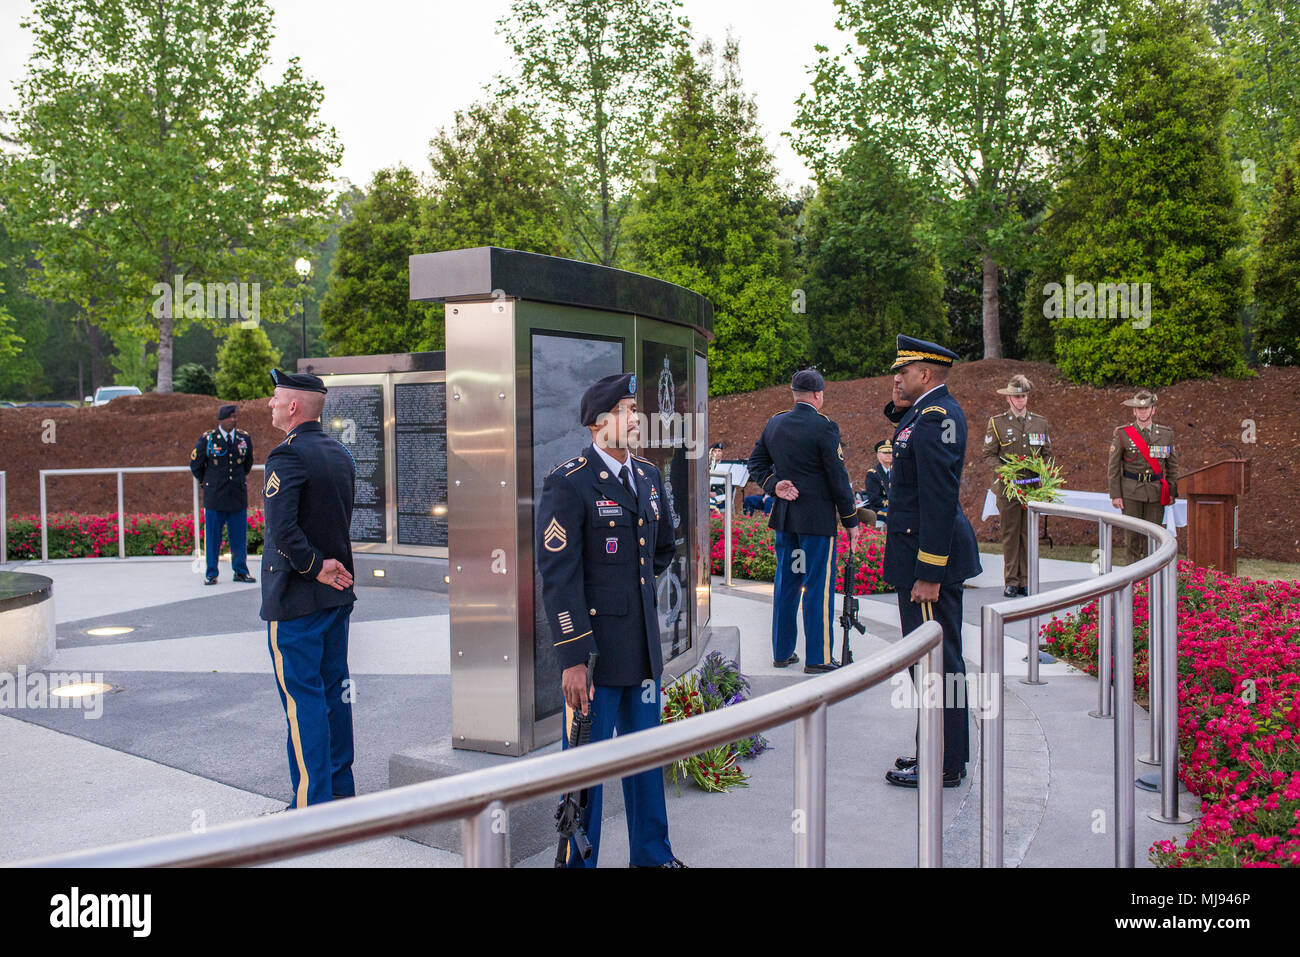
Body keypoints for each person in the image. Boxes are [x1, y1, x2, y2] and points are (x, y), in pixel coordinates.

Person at [535, 372, 686, 868]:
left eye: (636, 411)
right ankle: (579, 863)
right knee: (585, 773)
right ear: (600, 424)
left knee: (646, 765)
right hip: (594, 659)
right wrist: (573, 659)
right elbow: (559, 576)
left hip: (641, 651)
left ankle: (652, 856)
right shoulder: (569, 481)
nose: (636, 419)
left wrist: (630, 593)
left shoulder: (646, 475)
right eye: (626, 411)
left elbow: (661, 549)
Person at [881, 335, 982, 789]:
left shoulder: (935, 417)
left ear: (925, 374)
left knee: (936, 665)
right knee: (934, 664)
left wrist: (928, 572)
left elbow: (939, 501)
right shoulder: (926, 414)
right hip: (922, 555)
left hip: (926, 562)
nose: (894, 378)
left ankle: (942, 762)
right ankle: (940, 753)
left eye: (902, 372)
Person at [259, 369, 357, 809]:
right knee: (334, 691)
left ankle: (310, 804)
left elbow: (282, 530)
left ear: (294, 406)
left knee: (304, 702)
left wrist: (314, 566)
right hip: (336, 596)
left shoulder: (287, 456)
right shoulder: (339, 452)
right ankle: (339, 790)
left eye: (276, 398)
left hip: (299, 598)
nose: (270, 404)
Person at [747, 369, 862, 673]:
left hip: (786, 518)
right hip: (817, 522)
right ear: (817, 396)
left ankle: (782, 652)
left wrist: (774, 485)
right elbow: (838, 479)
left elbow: (755, 464)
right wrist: (851, 519)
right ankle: (818, 657)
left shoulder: (775, 423)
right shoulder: (824, 427)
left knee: (787, 584)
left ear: (794, 393)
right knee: (817, 587)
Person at [981, 375, 1053, 597]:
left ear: (1027, 397)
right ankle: (1012, 580)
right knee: (1011, 533)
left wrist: (1047, 483)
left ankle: (1027, 580)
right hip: (1008, 487)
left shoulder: (1040, 423)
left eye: (1023, 396)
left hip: (1032, 486)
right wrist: (1005, 471)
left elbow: (1047, 456)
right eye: (1016, 397)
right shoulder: (998, 422)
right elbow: (989, 455)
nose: (1020, 401)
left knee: (1029, 534)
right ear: (1008, 399)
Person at [1107, 389, 1178, 565]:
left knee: (1154, 539)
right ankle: (1134, 583)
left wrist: (1171, 492)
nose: (1143, 411)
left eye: (1146, 408)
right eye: (1139, 409)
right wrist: (1115, 494)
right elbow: (1113, 466)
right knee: (1132, 539)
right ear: (1134, 411)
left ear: (1153, 410)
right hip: (1131, 492)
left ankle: (1151, 582)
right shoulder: (1123, 433)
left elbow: (1172, 466)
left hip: (1155, 493)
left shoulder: (1166, 434)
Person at [190, 403, 255, 586]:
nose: (233, 420)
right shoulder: (208, 439)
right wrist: (208, 483)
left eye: (235, 417)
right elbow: (196, 465)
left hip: (236, 496)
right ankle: (211, 573)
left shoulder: (243, 438)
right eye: (229, 418)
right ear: (221, 420)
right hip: (215, 497)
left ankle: (240, 571)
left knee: (239, 538)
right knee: (213, 538)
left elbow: (247, 463)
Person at [862, 439, 893, 525]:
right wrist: (889, 503)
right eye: (885, 453)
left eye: (890, 452)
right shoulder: (873, 474)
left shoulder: (897, 472)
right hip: (879, 508)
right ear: (878, 455)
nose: (888, 455)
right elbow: (873, 498)